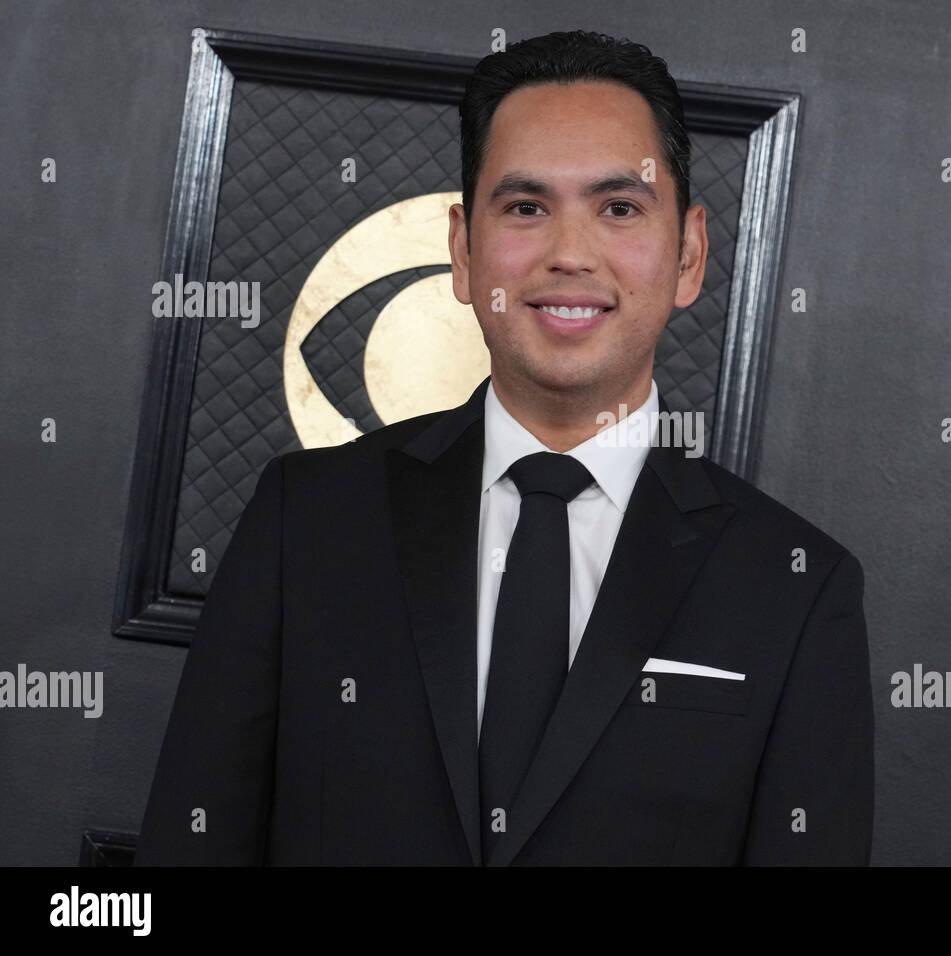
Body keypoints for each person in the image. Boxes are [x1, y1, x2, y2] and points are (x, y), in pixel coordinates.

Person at [135, 29, 873, 866]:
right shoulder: (306, 519)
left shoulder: (796, 587)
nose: (568, 253)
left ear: (690, 253)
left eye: (620, 208)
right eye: (526, 207)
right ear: (462, 249)